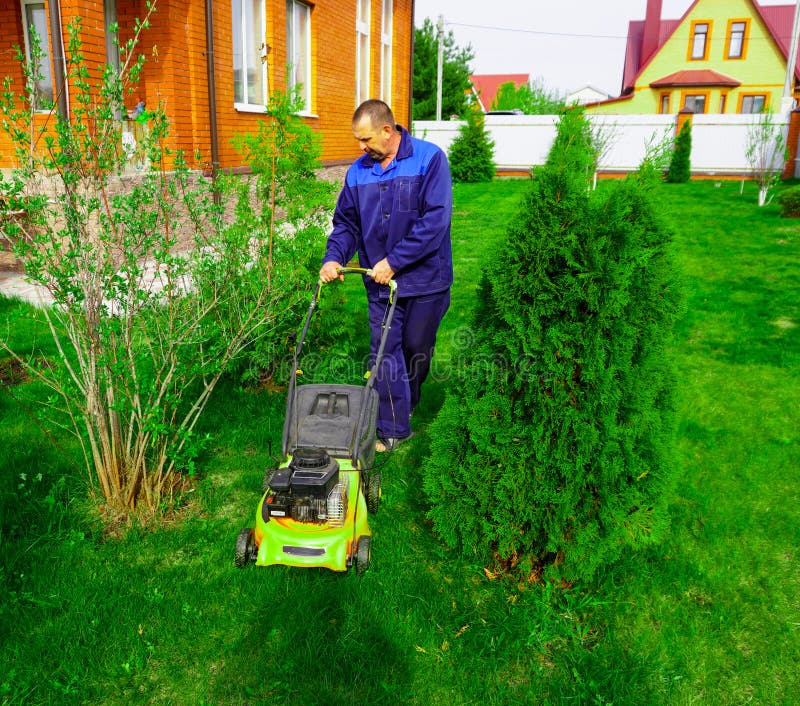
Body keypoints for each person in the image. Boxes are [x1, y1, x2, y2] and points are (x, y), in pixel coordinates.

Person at [320, 99, 453, 452]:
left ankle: (408, 400)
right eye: (358, 142)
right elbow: (347, 224)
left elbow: (435, 222)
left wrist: (393, 261)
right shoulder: (358, 172)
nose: (361, 147)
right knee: (384, 353)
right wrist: (334, 258)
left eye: (366, 140)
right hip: (380, 284)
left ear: (387, 130)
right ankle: (393, 429)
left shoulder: (429, 159)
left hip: (426, 281)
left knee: (415, 348)